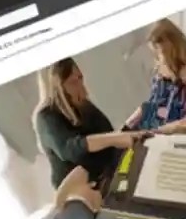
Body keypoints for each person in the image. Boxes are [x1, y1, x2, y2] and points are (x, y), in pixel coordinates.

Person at [31, 58, 144, 189]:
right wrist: (116, 139)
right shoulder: (46, 117)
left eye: (80, 78)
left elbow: (107, 134)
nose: (81, 86)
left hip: (108, 175)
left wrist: (131, 124)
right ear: (58, 87)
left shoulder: (83, 106)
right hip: (82, 191)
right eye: (73, 82)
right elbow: (71, 149)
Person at [125, 19, 186, 135]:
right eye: (156, 55)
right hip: (158, 137)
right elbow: (158, 111)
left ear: (175, 48)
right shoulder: (160, 79)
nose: (159, 61)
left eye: (162, 54)